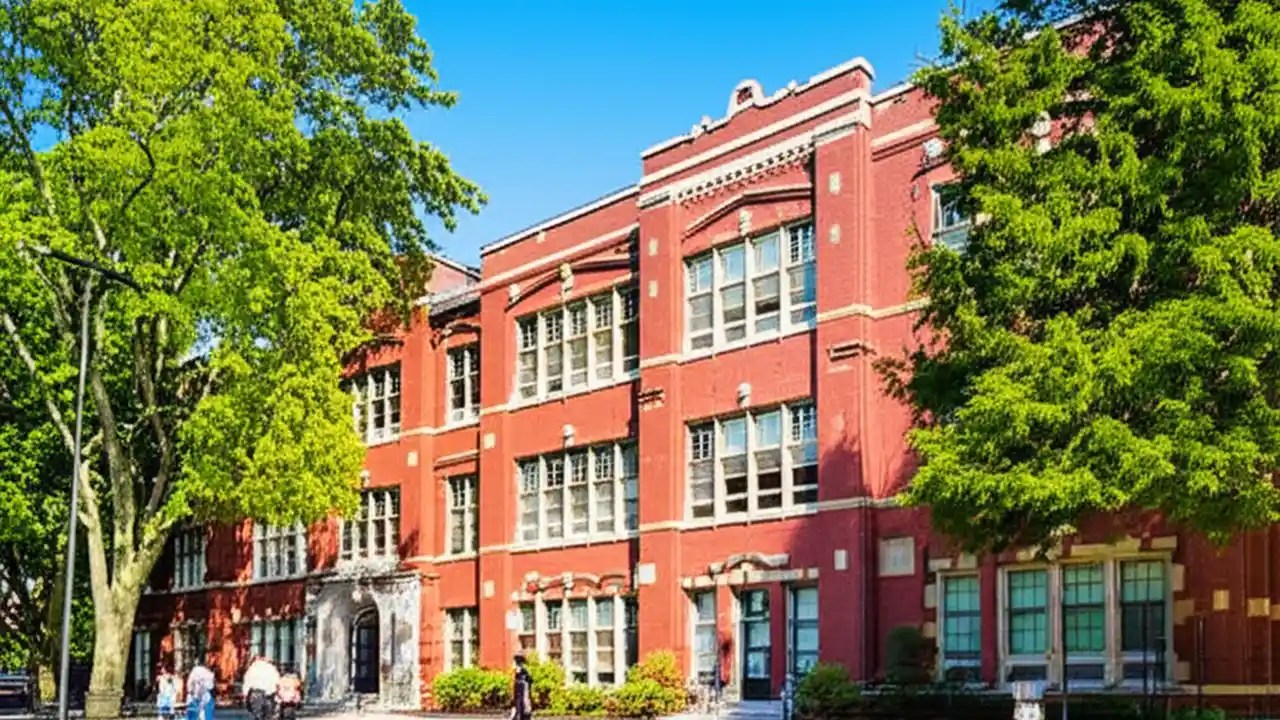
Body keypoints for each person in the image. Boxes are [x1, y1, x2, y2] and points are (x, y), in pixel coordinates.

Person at [242, 655, 281, 720]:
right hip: (270, 695)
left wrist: (245, 694)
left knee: (258, 715)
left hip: (256, 693)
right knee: (268, 715)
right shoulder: (272, 668)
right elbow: (277, 682)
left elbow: (247, 682)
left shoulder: (252, 668)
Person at [511, 654, 533, 720]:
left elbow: (529, 682)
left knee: (520, 711)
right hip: (520, 697)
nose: (513, 664)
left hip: (521, 697)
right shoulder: (523, 673)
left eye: (514, 662)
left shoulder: (521, 672)